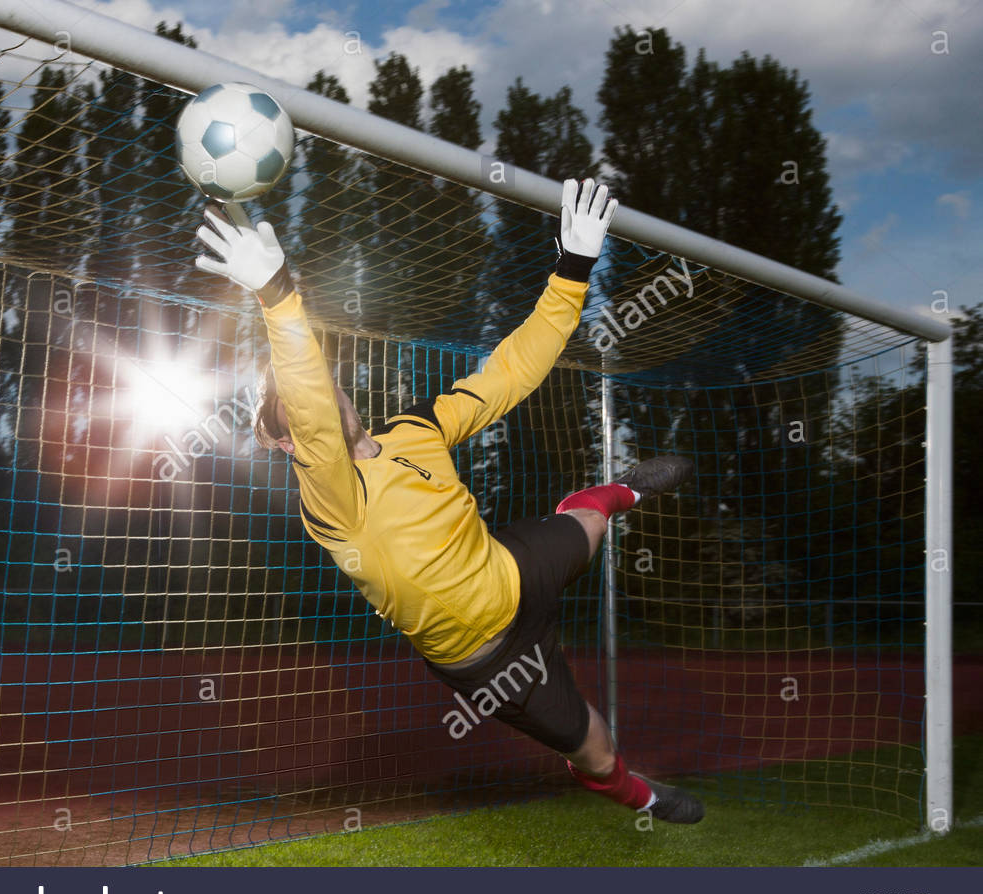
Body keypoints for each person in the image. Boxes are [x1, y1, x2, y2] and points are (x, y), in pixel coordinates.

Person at [193, 179, 703, 824]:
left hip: (512, 567)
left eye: (319, 387)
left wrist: (573, 269)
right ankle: (644, 798)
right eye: (292, 411)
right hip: (491, 659)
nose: (315, 398)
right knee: (599, 752)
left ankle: (611, 492)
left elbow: (510, 373)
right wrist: (278, 295)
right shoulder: (330, 500)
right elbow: (310, 406)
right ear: (291, 445)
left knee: (591, 517)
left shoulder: (415, 430)